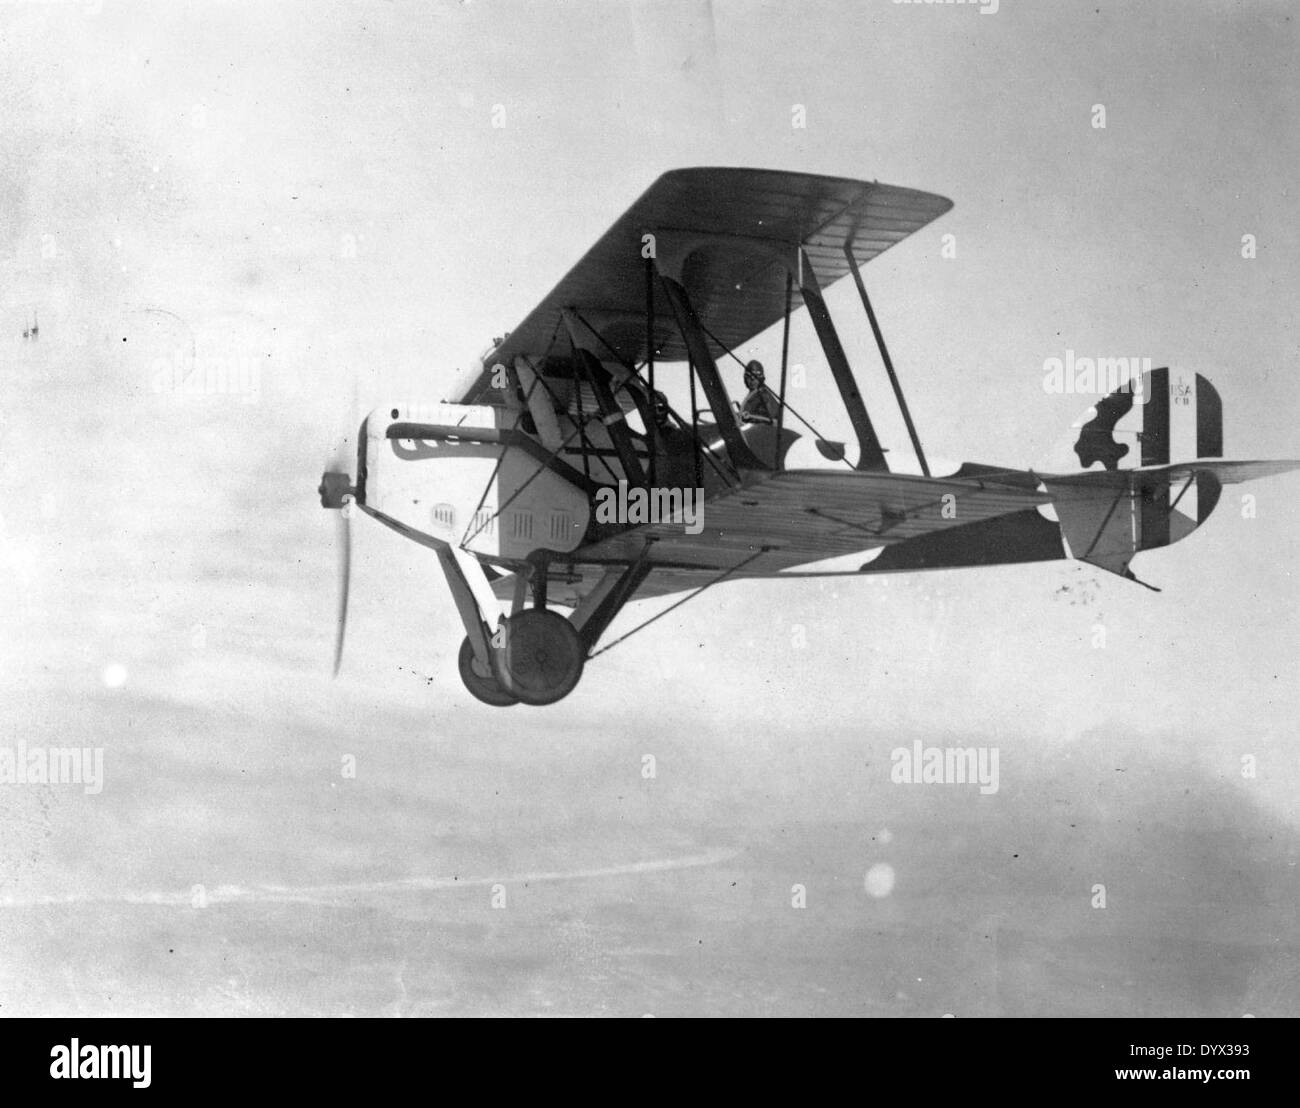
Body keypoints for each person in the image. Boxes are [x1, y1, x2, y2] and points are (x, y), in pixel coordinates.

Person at [739, 360, 779, 425]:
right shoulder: (751, 397)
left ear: (761, 378)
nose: (752, 380)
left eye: (755, 377)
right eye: (748, 377)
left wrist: (751, 417)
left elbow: (773, 421)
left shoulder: (764, 395)